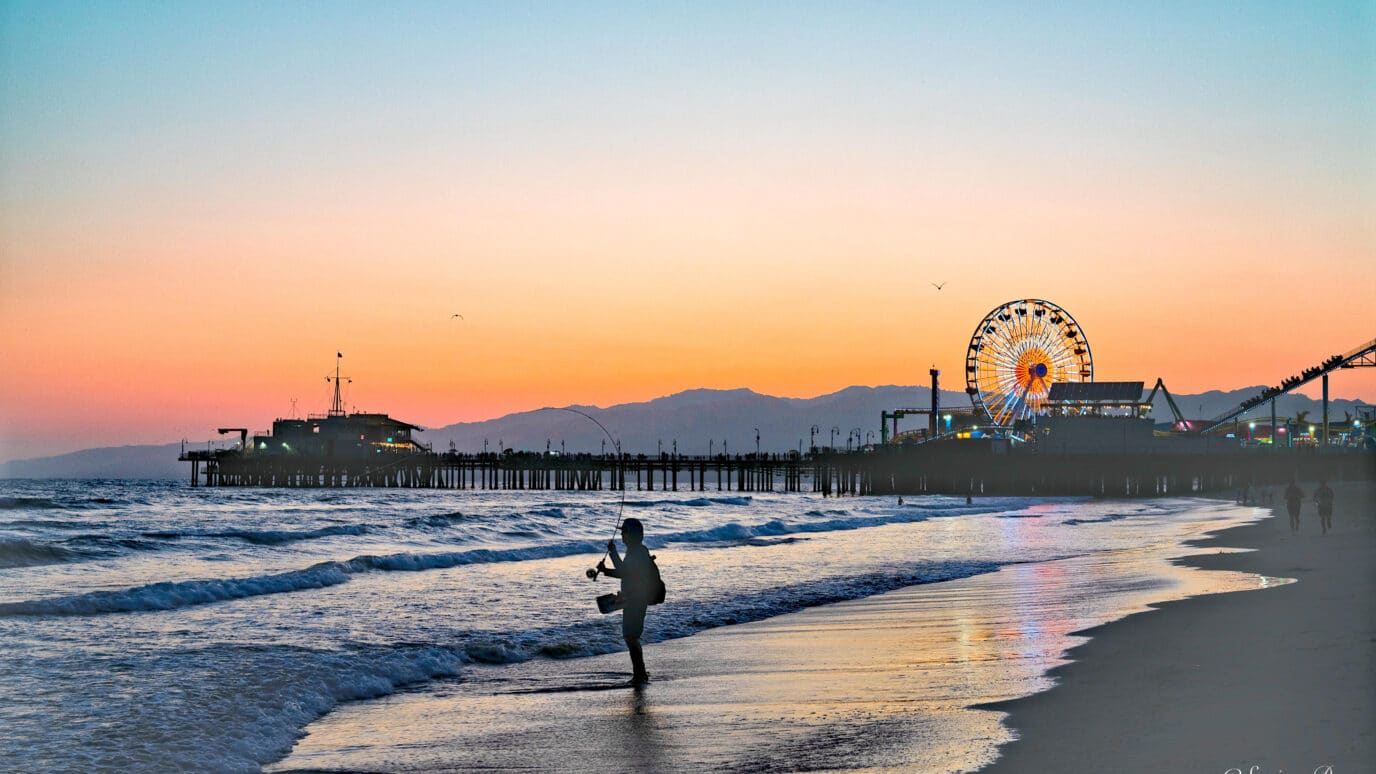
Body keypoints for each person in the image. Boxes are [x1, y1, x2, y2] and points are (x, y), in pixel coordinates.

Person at [599, 517, 656, 685]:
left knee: (631, 637)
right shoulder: (638, 551)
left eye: (624, 532)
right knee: (631, 637)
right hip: (634, 598)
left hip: (636, 599)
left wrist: (605, 570)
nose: (622, 536)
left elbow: (624, 572)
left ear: (631, 535)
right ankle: (640, 673)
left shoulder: (637, 553)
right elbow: (625, 570)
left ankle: (640, 674)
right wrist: (613, 554)